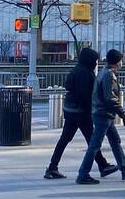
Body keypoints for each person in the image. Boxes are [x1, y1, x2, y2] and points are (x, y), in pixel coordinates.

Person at [44, 47, 115, 180]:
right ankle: (101, 166)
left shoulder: (77, 70)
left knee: (67, 139)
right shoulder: (85, 73)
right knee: (92, 140)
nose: (95, 63)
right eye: (95, 60)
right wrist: (92, 109)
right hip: (80, 112)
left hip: (71, 110)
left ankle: (53, 167)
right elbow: (84, 95)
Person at [76, 49, 125, 185]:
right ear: (117, 62)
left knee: (114, 140)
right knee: (95, 145)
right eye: (121, 60)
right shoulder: (109, 75)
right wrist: (123, 114)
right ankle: (83, 173)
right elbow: (110, 98)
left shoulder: (103, 72)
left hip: (102, 114)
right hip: (103, 114)